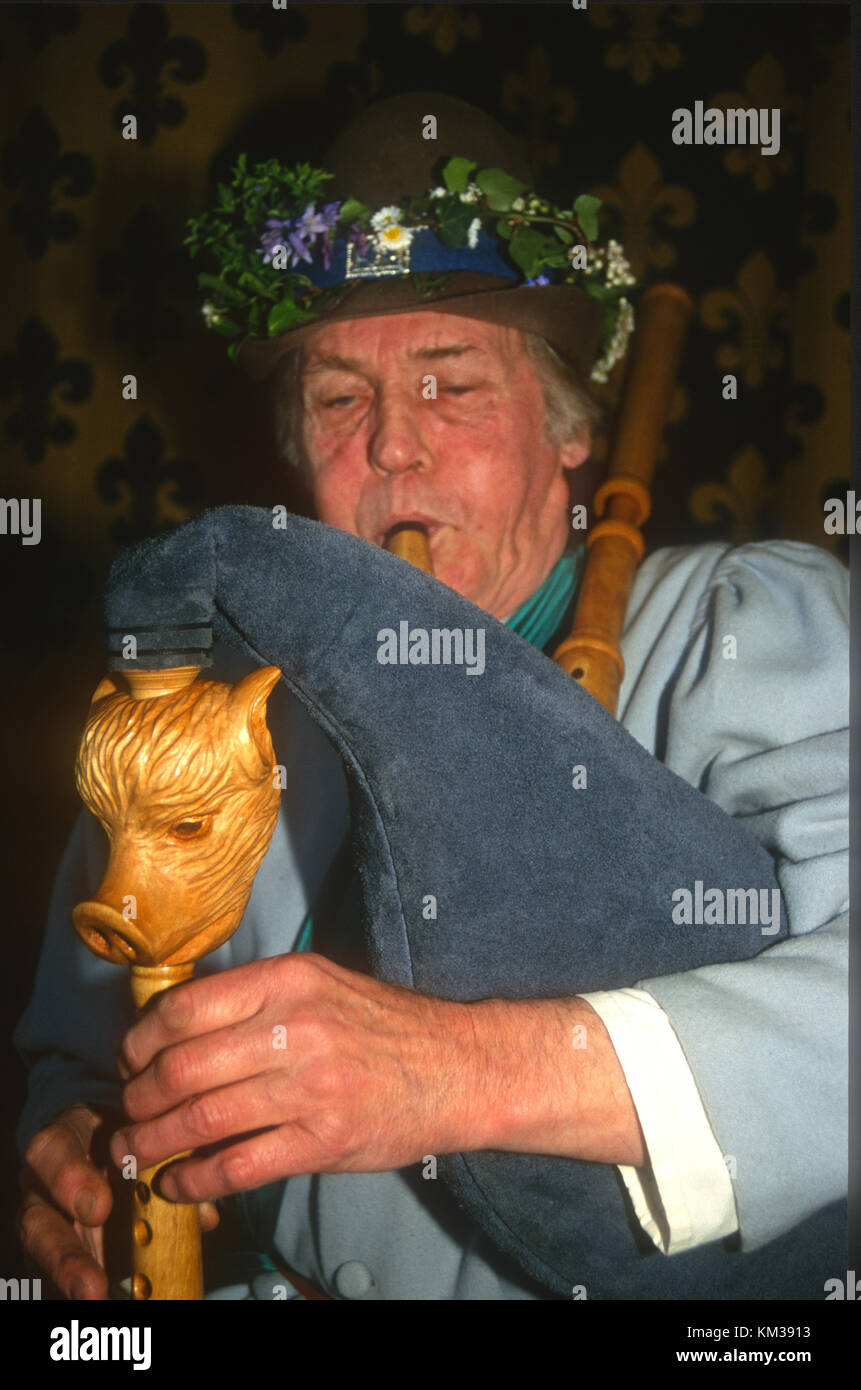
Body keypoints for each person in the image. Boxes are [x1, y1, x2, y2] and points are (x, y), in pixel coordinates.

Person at [15, 94, 848, 1301]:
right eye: (342, 397)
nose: (394, 447)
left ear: (567, 434)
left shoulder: (735, 628)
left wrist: (456, 1074)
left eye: (450, 386)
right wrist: (73, 1145)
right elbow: (73, 1045)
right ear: (296, 454)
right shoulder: (199, 716)